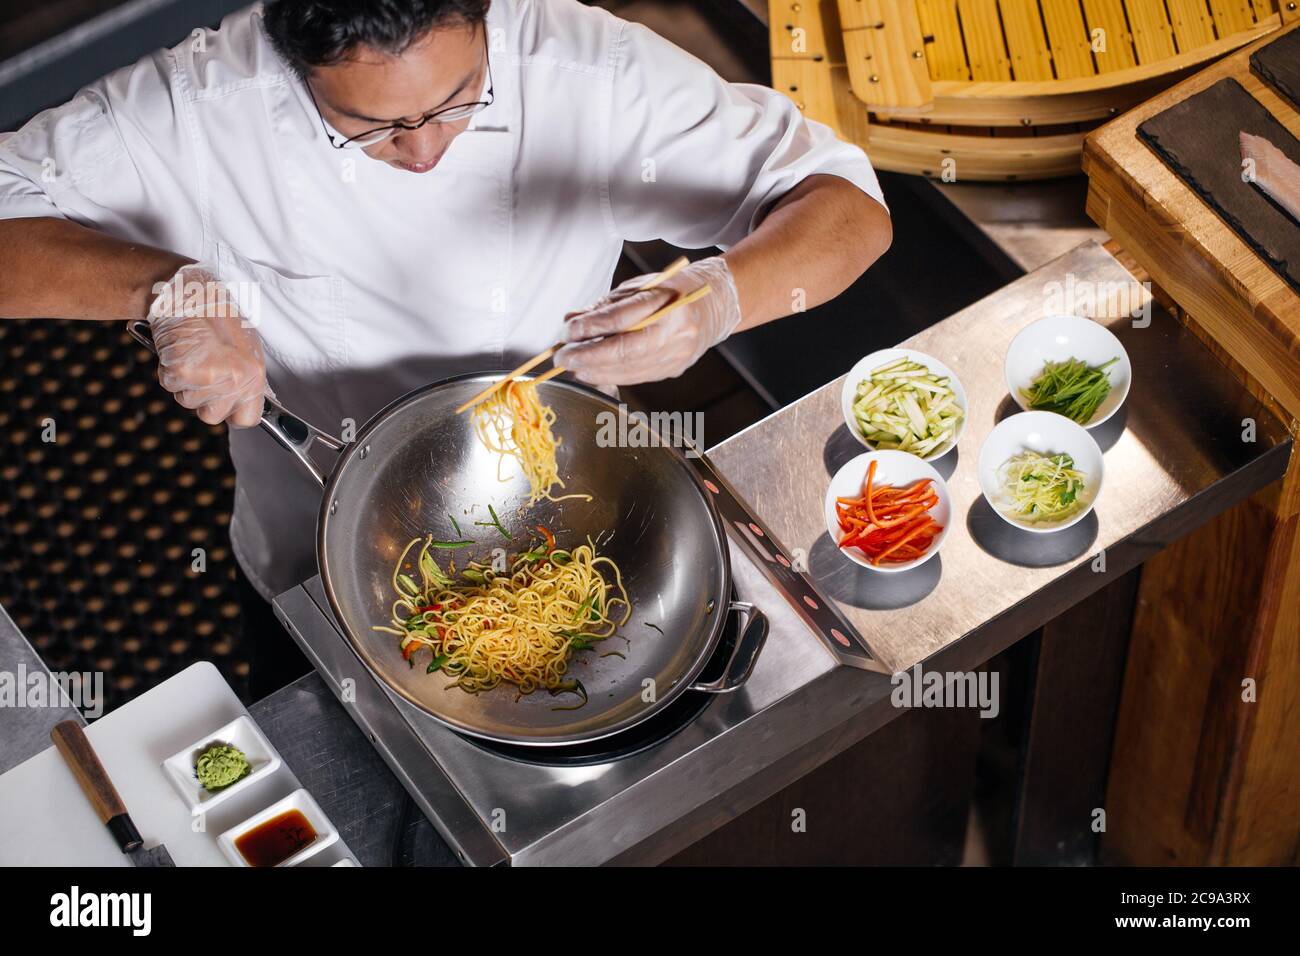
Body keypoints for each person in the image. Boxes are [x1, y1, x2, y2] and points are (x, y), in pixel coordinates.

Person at [0, 0, 892, 696]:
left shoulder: (586, 67)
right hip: (313, 544)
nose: (425, 151)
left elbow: (847, 205)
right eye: (373, 126)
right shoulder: (199, 106)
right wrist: (164, 289)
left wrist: (720, 296)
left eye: (461, 99)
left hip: (578, 507)